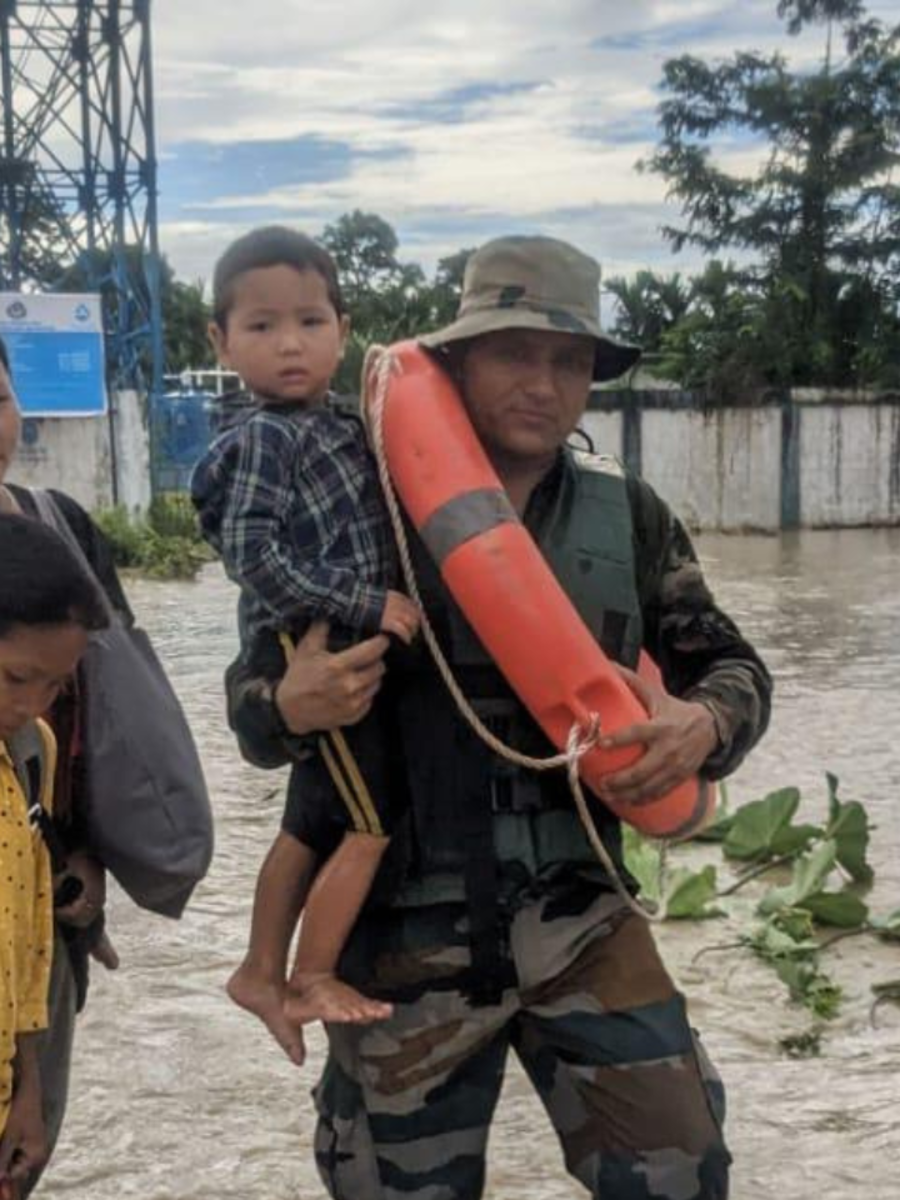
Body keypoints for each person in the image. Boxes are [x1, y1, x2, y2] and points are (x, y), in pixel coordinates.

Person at [227, 234, 773, 1200]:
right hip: (399, 935)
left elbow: (732, 665)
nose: (544, 383)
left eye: (570, 362)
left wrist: (703, 725)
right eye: (516, 353)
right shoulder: (354, 508)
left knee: (684, 1167)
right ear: (458, 361)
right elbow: (250, 712)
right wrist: (286, 703)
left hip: (583, 912)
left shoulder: (629, 516)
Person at [191, 226, 419, 1065]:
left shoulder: (343, 424)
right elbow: (253, 558)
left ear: (343, 327)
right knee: (368, 826)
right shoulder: (267, 438)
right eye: (260, 327)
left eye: (310, 322)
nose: (289, 343)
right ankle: (310, 974)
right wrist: (366, 601)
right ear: (219, 341)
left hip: (344, 643)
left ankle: (258, 968)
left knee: (312, 819)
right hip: (321, 646)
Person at [0, 335, 131, 1197]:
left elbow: (123, 726)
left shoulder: (61, 532)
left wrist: (97, 857)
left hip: (34, 956)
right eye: (19, 678)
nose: (38, 699)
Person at [0, 513, 108, 1197]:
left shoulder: (27, 755)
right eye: (15, 678)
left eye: (54, 686)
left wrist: (29, 1091)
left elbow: (32, 949)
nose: (33, 704)